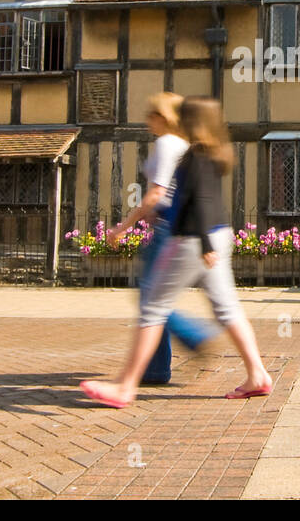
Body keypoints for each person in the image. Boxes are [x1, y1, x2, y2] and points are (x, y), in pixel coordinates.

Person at [81, 97, 272, 408]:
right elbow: (208, 202)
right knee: (227, 309)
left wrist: (203, 244)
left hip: (189, 240)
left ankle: (126, 386)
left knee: (153, 307)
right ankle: (258, 375)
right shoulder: (211, 152)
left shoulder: (192, 156)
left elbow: (196, 202)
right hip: (216, 235)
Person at [106, 92, 218, 384]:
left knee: (150, 297)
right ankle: (156, 369)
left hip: (167, 227)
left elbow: (157, 193)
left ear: (163, 117)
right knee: (153, 296)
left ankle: (192, 336)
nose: (147, 122)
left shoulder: (167, 143)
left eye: (152, 115)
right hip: (172, 225)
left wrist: (123, 226)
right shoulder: (181, 144)